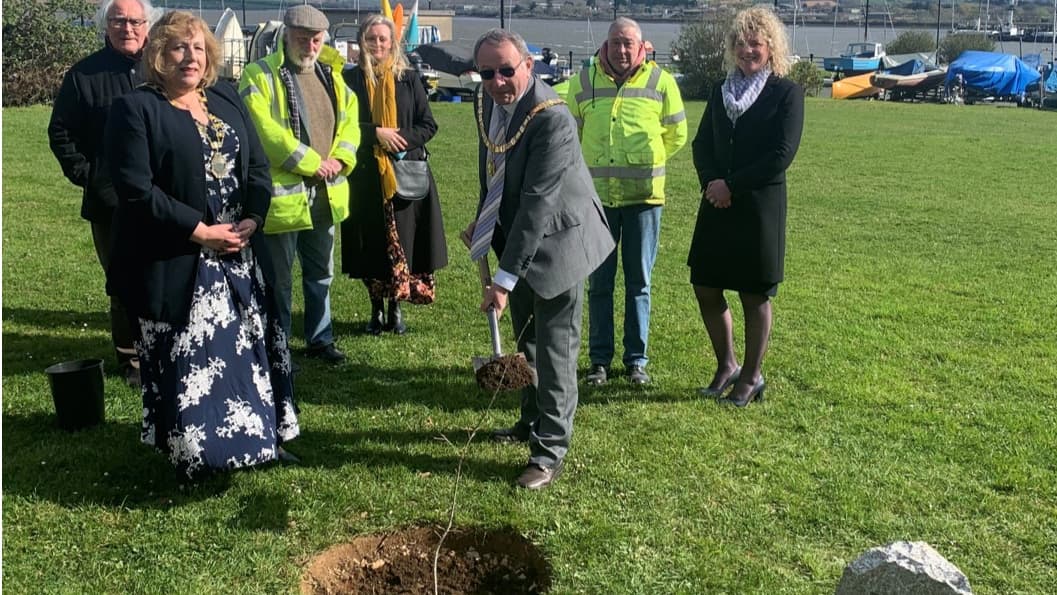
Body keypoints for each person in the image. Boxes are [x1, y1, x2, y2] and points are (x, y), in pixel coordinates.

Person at [103, 11, 300, 478]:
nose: (189, 57)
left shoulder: (226, 98)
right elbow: (135, 189)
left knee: (248, 352)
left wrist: (253, 216)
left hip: (237, 254)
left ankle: (260, 440)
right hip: (177, 259)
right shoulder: (136, 109)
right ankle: (195, 454)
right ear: (158, 55)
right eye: (177, 47)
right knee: (192, 359)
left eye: (197, 48)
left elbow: (257, 169)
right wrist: (199, 230)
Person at [467, 29, 615, 490]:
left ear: (528, 65)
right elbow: (493, 169)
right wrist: (482, 222)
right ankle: (529, 422)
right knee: (527, 341)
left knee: (554, 351)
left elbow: (537, 202)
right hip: (518, 240)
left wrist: (504, 281)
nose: (496, 81)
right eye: (487, 72)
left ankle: (549, 452)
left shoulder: (551, 118)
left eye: (506, 70)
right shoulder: (488, 101)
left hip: (560, 243)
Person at [689, 7, 804, 407]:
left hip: (759, 208)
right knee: (705, 285)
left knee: (754, 295)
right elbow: (701, 144)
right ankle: (727, 365)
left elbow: (781, 154)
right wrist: (712, 185)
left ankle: (752, 376)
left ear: (771, 46)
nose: (747, 50)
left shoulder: (786, 93)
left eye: (755, 42)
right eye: (739, 43)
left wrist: (732, 185)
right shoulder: (722, 92)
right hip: (717, 204)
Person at [567, 17, 687, 387]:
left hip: (644, 201)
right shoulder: (583, 81)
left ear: (642, 47)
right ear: (606, 44)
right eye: (616, 42)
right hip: (597, 203)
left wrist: (645, 161)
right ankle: (599, 361)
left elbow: (676, 133)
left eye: (629, 44)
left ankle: (637, 360)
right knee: (599, 284)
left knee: (639, 283)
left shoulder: (660, 82)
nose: (622, 50)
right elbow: (572, 133)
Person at [239, 5, 360, 364]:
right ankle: (276, 342)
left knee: (321, 273)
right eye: (303, 38)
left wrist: (340, 160)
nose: (310, 45)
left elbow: (350, 124)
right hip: (282, 200)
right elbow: (264, 132)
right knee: (277, 280)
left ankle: (320, 338)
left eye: (317, 39)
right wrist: (312, 163)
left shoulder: (333, 75)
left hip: (326, 193)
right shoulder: (258, 76)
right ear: (287, 35)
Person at [48, 0, 157, 389]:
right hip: (111, 202)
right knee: (124, 279)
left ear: (148, 24)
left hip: (166, 195)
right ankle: (132, 360)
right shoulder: (84, 75)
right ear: (106, 26)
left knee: (168, 274)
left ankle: (168, 349)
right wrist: (90, 176)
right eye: (118, 21)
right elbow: (60, 132)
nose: (127, 28)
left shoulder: (162, 67)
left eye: (134, 21)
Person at [341, 15, 448, 335]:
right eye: (371, 39)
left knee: (403, 244)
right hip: (365, 175)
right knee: (369, 247)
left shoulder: (409, 79)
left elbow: (428, 124)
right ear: (362, 41)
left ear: (392, 43)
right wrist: (376, 133)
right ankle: (375, 309)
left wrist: (400, 139)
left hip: (404, 172)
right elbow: (341, 126)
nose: (377, 45)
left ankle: (396, 308)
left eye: (382, 39)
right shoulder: (350, 80)